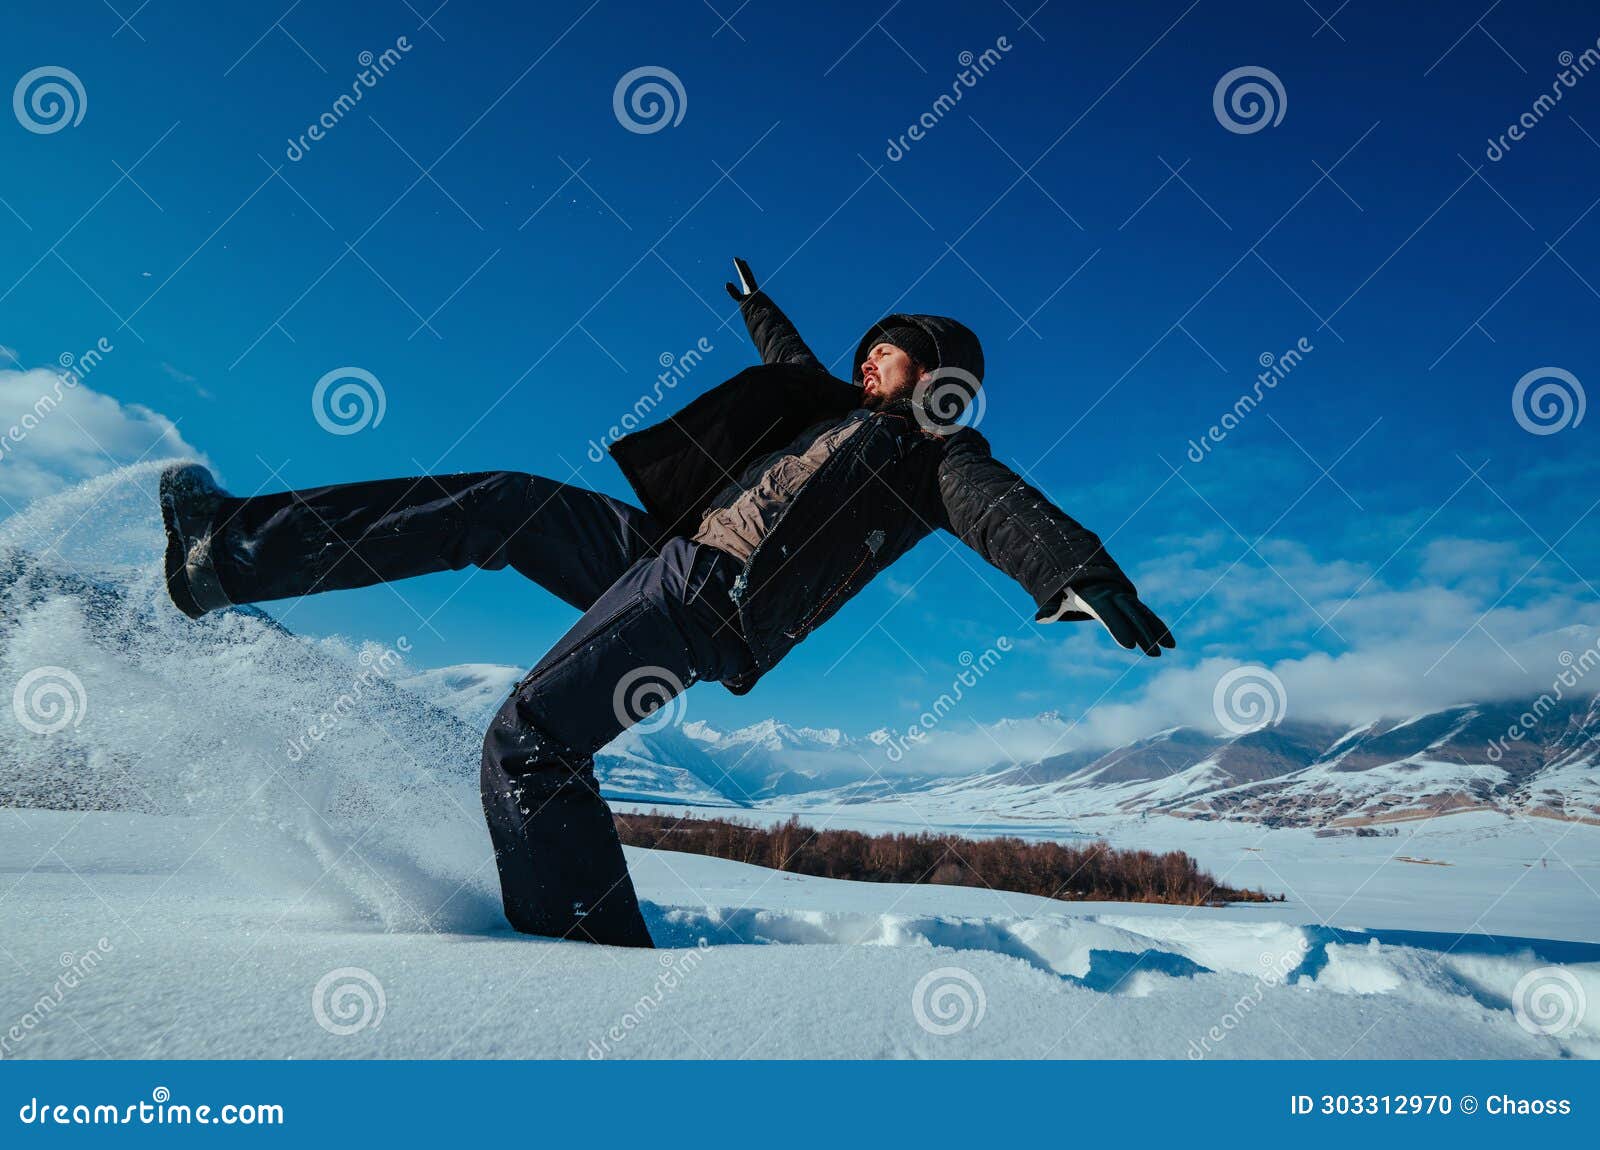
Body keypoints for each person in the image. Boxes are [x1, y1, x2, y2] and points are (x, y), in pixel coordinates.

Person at [158, 257, 1174, 948]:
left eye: (891, 350)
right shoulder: (826, 404)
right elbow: (791, 361)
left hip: (709, 597)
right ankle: (225, 555)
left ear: (936, 377)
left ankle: (584, 968)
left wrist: (1076, 571)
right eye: (867, 345)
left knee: (532, 742)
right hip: (662, 552)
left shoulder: (930, 455)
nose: (869, 357)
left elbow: (1000, 507)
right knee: (503, 503)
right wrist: (756, 306)